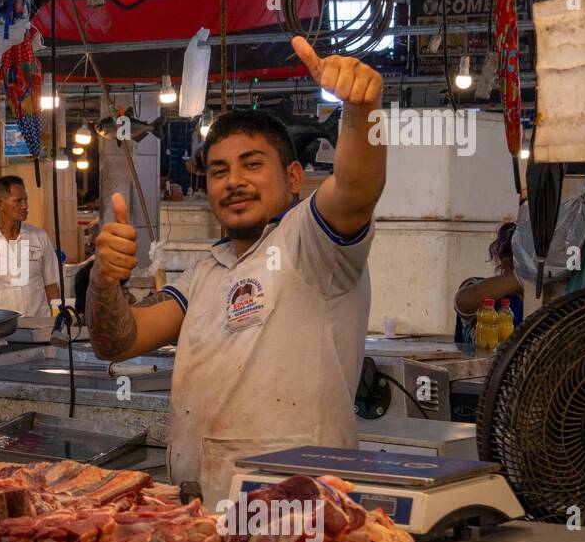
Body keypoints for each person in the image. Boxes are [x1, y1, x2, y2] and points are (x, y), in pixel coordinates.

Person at [87, 37, 385, 508]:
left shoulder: (311, 242)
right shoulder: (205, 272)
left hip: (302, 516)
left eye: (252, 165)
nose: (234, 181)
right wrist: (104, 280)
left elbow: (355, 188)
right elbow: (118, 341)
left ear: (292, 178)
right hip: (204, 513)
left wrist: (361, 112)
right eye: (219, 171)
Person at [0, 174, 59, 317]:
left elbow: (51, 286)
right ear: (0, 204)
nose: (25, 206)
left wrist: (57, 322)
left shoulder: (39, 237)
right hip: (2, 328)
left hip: (39, 325)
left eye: (26, 199)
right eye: (18, 201)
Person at [454, 221, 523, 345]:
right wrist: (527, 276)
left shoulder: (539, 301)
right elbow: (462, 301)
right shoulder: (476, 286)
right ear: (507, 263)